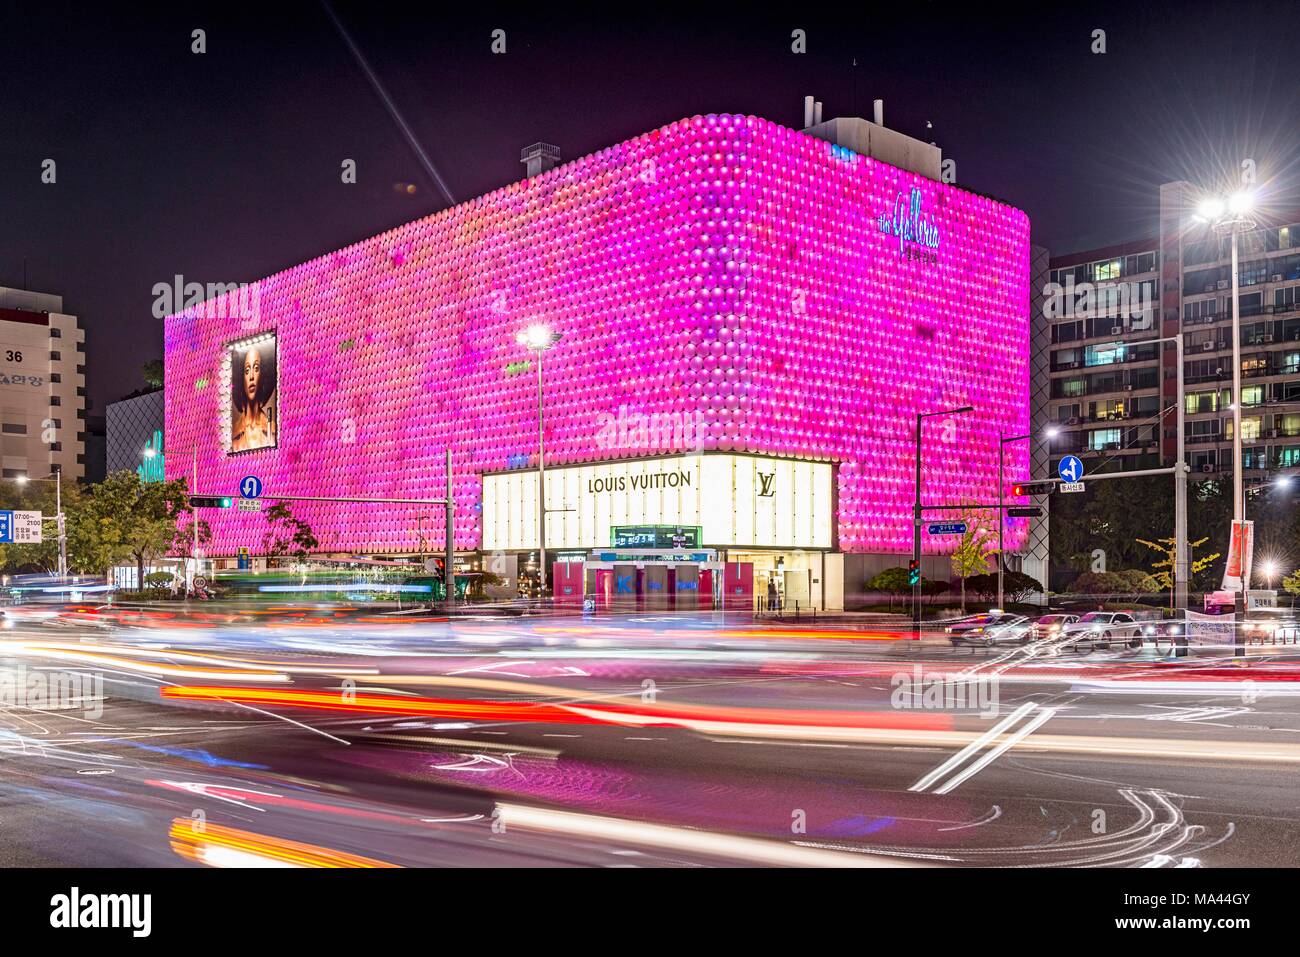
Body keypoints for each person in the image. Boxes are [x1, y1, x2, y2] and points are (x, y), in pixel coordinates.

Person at [231, 345, 276, 451]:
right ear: (242, 378)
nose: (251, 376)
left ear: (262, 375)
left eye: (256, 368)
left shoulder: (273, 431)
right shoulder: (234, 435)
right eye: (247, 370)